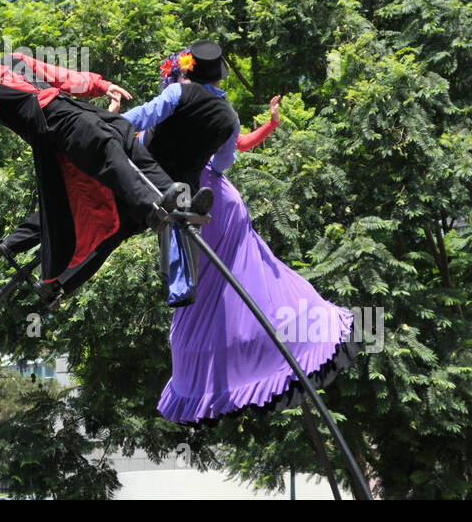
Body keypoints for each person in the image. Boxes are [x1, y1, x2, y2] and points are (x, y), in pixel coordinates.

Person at [119, 42, 358, 422]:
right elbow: (231, 155)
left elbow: (141, 120)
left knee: (213, 287)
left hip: (192, 205)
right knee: (246, 276)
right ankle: (277, 338)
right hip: (219, 201)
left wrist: (107, 129)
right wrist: (271, 124)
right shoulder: (224, 113)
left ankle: (220, 363)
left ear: (185, 71)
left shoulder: (175, 96)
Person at [0, 33, 210, 305]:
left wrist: (101, 85)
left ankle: (173, 196)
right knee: (105, 145)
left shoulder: (16, 61)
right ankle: (151, 210)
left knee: (126, 134)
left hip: (74, 110)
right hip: (56, 130)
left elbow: (62, 77)